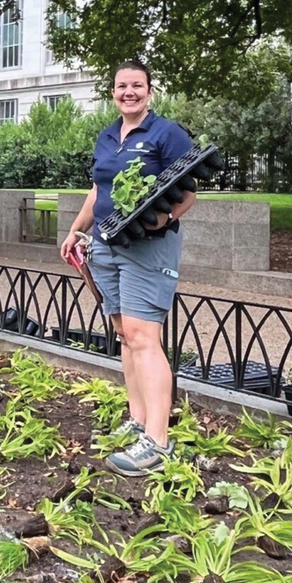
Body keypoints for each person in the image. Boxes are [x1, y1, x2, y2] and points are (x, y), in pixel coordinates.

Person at [60, 60, 196, 477]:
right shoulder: (106, 136)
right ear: (114, 92)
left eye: (137, 85)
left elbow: (188, 191)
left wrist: (165, 219)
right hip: (104, 245)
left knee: (143, 336)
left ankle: (157, 442)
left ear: (150, 91)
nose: (129, 92)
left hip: (146, 248)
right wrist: (76, 229)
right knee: (124, 334)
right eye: (122, 86)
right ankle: (138, 420)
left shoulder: (166, 133)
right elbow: (98, 188)